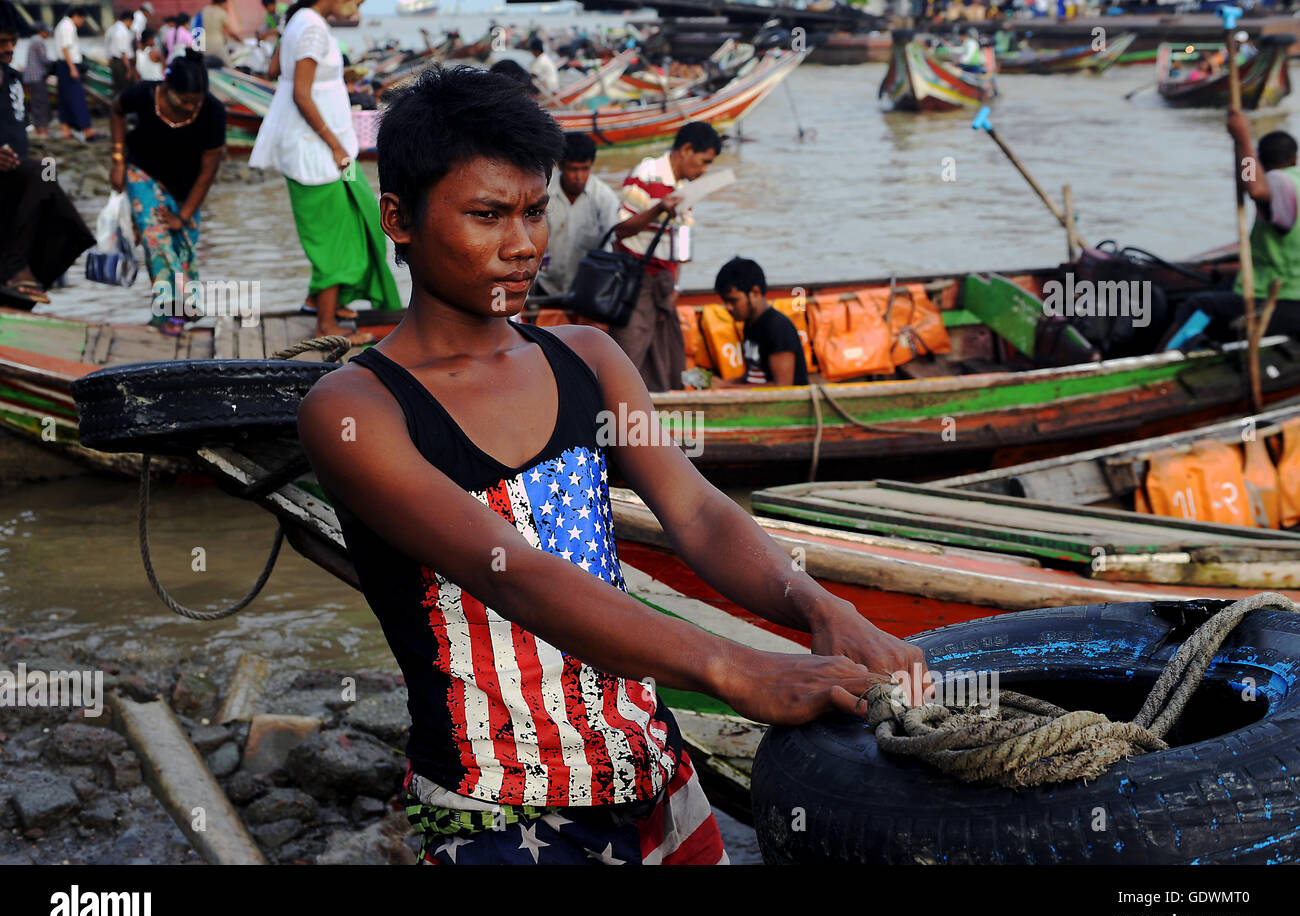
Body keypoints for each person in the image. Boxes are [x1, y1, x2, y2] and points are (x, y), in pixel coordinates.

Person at [296, 65, 922, 866]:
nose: (522, 245)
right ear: (399, 219)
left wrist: (816, 604)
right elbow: (513, 571)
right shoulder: (355, 409)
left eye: (532, 211)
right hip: (496, 812)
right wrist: (734, 666)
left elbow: (694, 511)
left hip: (655, 777)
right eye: (487, 215)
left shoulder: (588, 357)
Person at [249, 0, 399, 343]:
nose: (359, 8)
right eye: (358, 1)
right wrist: (333, 146)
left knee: (362, 216)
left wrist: (333, 78)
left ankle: (324, 300)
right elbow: (302, 94)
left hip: (333, 152)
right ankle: (325, 325)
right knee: (334, 238)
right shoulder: (313, 27)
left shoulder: (301, 20)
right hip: (320, 154)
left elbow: (276, 69)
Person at [110, 49, 226, 332]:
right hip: (143, 175)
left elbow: (209, 170)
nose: (191, 108)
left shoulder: (212, 111)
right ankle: (175, 312)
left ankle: (167, 314)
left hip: (187, 187)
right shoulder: (144, 94)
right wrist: (117, 158)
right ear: (167, 88)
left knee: (181, 248)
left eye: (196, 102)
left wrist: (184, 215)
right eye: (184, 101)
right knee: (157, 242)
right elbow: (116, 109)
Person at [1165, 115, 1300, 349]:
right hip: (1282, 292)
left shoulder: (1279, 180)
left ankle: (1157, 362)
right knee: (1218, 292)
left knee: (1195, 306)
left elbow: (1255, 189)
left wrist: (1243, 138)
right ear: (1295, 159)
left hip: (1282, 299)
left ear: (1260, 162)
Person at [611, 121, 721, 392]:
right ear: (685, 150)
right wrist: (659, 208)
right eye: (704, 162)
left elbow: (681, 245)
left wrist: (675, 287)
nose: (705, 171)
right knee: (629, 355)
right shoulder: (647, 173)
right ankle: (620, 419)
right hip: (636, 278)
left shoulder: (685, 186)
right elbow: (620, 230)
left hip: (664, 281)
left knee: (668, 357)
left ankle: (659, 415)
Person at [0, 1, 94, 306]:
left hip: (17, 175)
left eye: (12, 42)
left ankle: (23, 283)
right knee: (43, 171)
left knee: (68, 222)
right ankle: (15, 269)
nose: (9, 49)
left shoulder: (11, 78)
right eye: (2, 43)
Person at [535, 132, 619, 296]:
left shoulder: (604, 198)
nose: (579, 177)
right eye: (573, 169)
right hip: (544, 283)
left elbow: (614, 242)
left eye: (584, 169)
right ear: (560, 165)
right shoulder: (542, 192)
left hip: (588, 289)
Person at [712, 257, 809, 387]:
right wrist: (723, 383)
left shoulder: (778, 327)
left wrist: (726, 387)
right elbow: (754, 375)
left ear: (755, 293)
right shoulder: (750, 325)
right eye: (726, 302)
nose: (729, 307)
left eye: (733, 301)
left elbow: (783, 388)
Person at [53, 8, 95, 142]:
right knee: (77, 97)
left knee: (65, 97)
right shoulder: (67, 26)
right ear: (77, 16)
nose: (82, 22)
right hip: (68, 64)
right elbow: (65, 48)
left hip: (64, 64)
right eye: (82, 19)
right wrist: (72, 68)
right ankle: (87, 130)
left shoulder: (63, 25)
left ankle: (66, 128)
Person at [20, 22, 50, 139]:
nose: (48, 34)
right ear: (41, 31)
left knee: (36, 102)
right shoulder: (38, 40)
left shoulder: (33, 40)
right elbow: (44, 59)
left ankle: (38, 128)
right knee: (41, 103)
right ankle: (42, 129)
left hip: (31, 77)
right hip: (37, 76)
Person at [198, 0, 241, 67]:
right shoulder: (221, 12)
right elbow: (230, 32)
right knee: (229, 66)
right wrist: (239, 40)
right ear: (223, 2)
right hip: (217, 44)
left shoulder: (205, 10)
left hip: (204, 44)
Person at [105, 9, 136, 95]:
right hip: (122, 63)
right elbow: (123, 53)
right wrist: (129, 69)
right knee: (126, 88)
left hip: (114, 62)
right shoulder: (123, 31)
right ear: (129, 20)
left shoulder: (112, 28)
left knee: (117, 88)